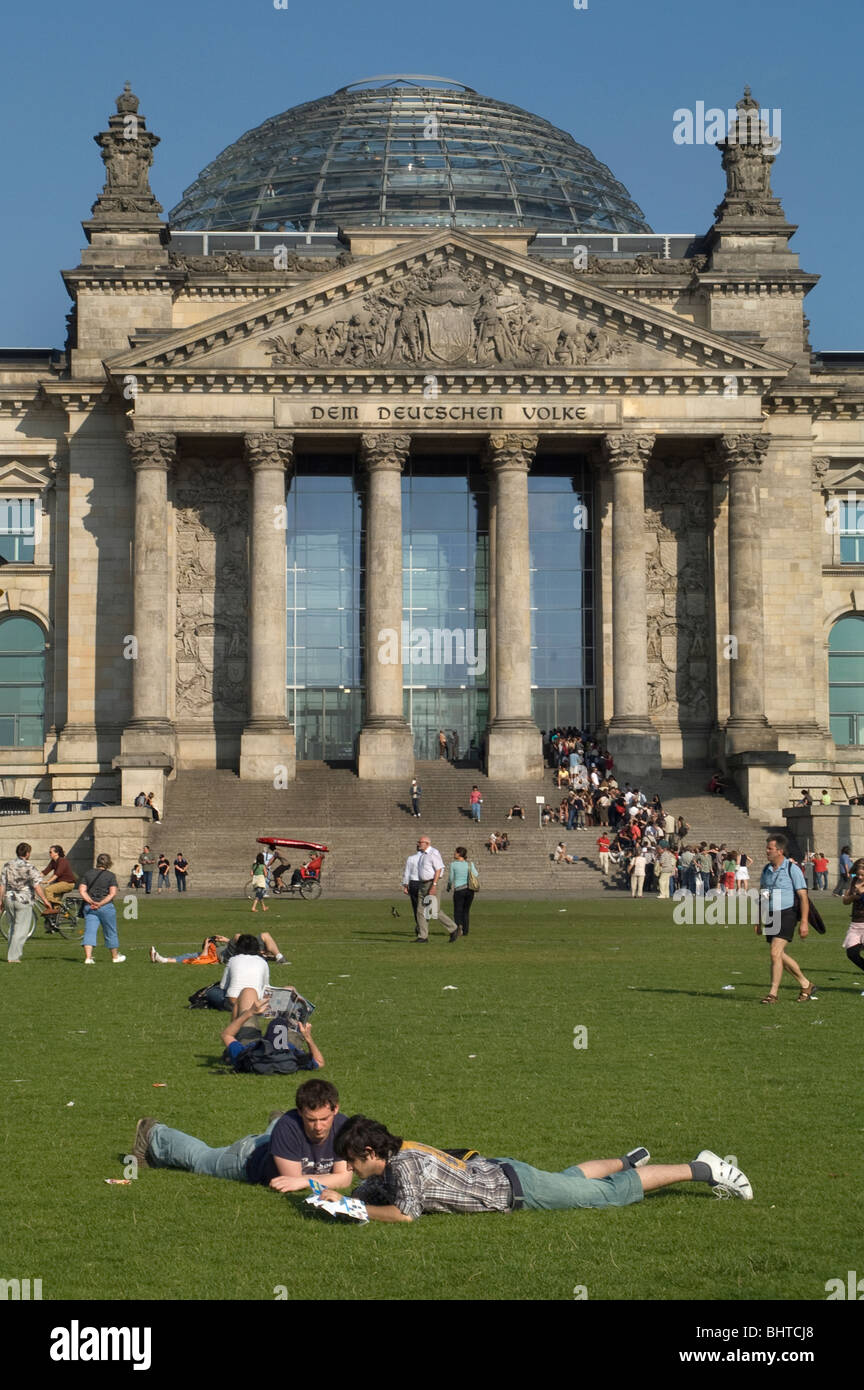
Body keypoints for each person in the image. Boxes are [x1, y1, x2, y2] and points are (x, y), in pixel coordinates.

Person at [313, 1116, 753, 1221]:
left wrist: (352, 1209)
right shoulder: (398, 1156)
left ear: (370, 1151)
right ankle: (628, 1159)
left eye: (352, 1161)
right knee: (572, 1179)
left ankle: (703, 1168)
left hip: (517, 1190)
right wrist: (339, 1197)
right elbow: (378, 1192)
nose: (349, 1168)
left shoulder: (402, 1167)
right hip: (507, 1172)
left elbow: (406, 1214)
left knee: (610, 1195)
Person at [132, 1079, 351, 1192]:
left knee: (282, 1133)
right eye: (310, 1120)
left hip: (277, 1146)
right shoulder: (290, 1127)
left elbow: (344, 1178)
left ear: (335, 1109)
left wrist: (307, 1181)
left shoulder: (342, 1126)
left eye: (324, 1119)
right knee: (200, 1159)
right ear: (300, 1113)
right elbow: (290, 1182)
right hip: (248, 1159)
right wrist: (316, 1181)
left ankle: (275, 1123)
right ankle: (153, 1133)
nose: (318, 1127)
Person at [757, 835, 813, 1004]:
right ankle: (806, 984)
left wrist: (804, 921)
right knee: (779, 955)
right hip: (772, 914)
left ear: (780, 851)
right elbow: (763, 895)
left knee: (775, 952)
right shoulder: (766, 870)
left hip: (787, 913)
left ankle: (773, 993)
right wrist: (757, 920)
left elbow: (803, 897)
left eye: (770, 849)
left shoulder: (792, 869)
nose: (766, 851)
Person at [219, 998, 324, 1074]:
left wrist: (249, 1012)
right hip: (285, 1056)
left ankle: (228, 1054)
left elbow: (226, 1034)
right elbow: (319, 1062)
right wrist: (308, 1039)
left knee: (242, 1000)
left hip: (251, 1047)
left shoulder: (251, 1051)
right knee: (290, 990)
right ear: (285, 1041)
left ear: (265, 1039)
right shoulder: (292, 1053)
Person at [0, 842, 52, 963]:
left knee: (13, 927)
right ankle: (13, 957)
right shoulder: (30, 867)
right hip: (24, 900)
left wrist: (0, 900)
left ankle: (11, 953)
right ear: (27, 853)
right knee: (21, 929)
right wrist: (45, 900)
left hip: (9, 898)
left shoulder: (7, 865)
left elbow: (2, 884)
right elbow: (36, 886)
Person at [79, 853, 125, 965]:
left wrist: (91, 902)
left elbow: (82, 891)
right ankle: (115, 956)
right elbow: (112, 893)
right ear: (108, 863)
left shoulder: (88, 874)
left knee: (90, 931)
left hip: (90, 907)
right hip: (106, 907)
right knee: (110, 931)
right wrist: (100, 903)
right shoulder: (110, 876)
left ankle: (88, 957)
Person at [414, 836, 460, 943]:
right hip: (423, 884)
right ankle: (423, 936)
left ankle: (453, 928)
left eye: (420, 842)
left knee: (433, 910)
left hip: (432, 883)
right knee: (420, 911)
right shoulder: (422, 855)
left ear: (427, 843)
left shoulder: (433, 853)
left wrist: (434, 885)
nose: (418, 844)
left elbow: (439, 869)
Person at [220, 933, 270, 1018]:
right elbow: (266, 987)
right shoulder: (263, 962)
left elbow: (223, 986)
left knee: (213, 992)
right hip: (255, 1003)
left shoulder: (233, 959)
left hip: (233, 1001)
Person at [841, 857, 864, 988]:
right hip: (855, 923)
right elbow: (845, 900)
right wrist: (852, 897)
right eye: (858, 874)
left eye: (862, 874)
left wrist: (860, 892)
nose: (859, 877)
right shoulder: (854, 881)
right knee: (851, 953)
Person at [446, 846, 477, 940]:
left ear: (459, 854)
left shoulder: (453, 865)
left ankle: (458, 927)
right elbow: (475, 874)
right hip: (469, 890)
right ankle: (466, 930)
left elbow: (451, 878)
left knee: (457, 910)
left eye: (455, 852)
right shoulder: (470, 864)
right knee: (466, 911)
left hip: (459, 890)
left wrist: (449, 886)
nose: (454, 853)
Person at [40, 844, 76, 913]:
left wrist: (48, 881)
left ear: (57, 853)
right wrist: (34, 878)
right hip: (60, 883)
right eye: (49, 852)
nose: (49, 854)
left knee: (48, 889)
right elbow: (45, 872)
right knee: (55, 906)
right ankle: (58, 917)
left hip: (68, 883)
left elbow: (57, 874)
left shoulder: (62, 861)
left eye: (51, 852)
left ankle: (61, 905)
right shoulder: (53, 861)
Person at [401, 840, 422, 917]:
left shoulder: (411, 858)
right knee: (425, 905)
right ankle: (424, 924)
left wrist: (405, 886)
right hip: (425, 883)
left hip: (414, 883)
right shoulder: (428, 857)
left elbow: (407, 873)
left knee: (415, 905)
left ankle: (419, 924)